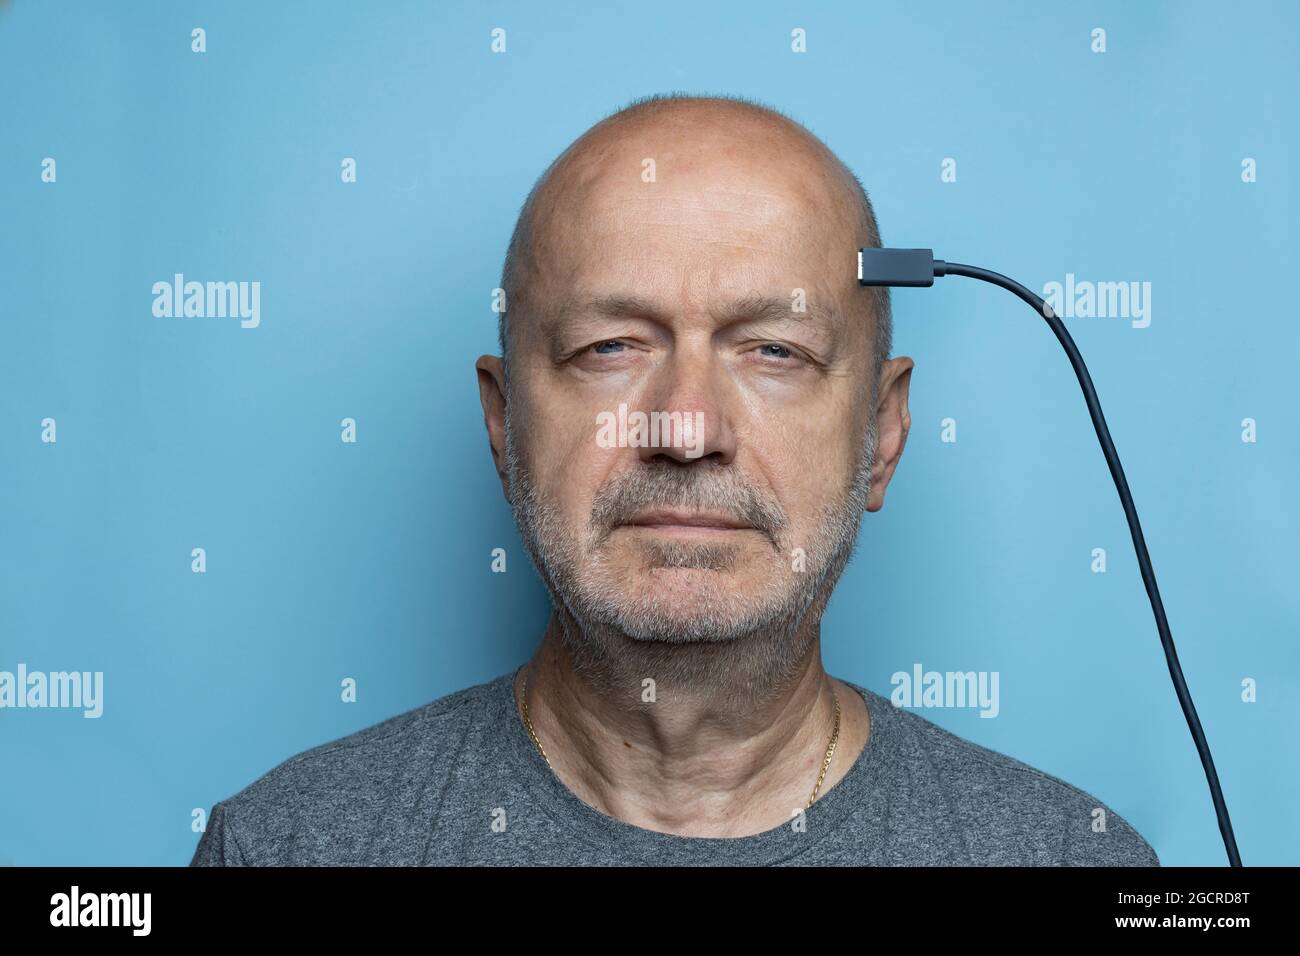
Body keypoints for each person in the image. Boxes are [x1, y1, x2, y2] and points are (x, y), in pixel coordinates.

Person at [191, 93, 1158, 866]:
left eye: (774, 350)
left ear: (883, 432)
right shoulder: (286, 847)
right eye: (609, 346)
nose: (687, 429)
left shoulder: (1074, 863)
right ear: (502, 425)